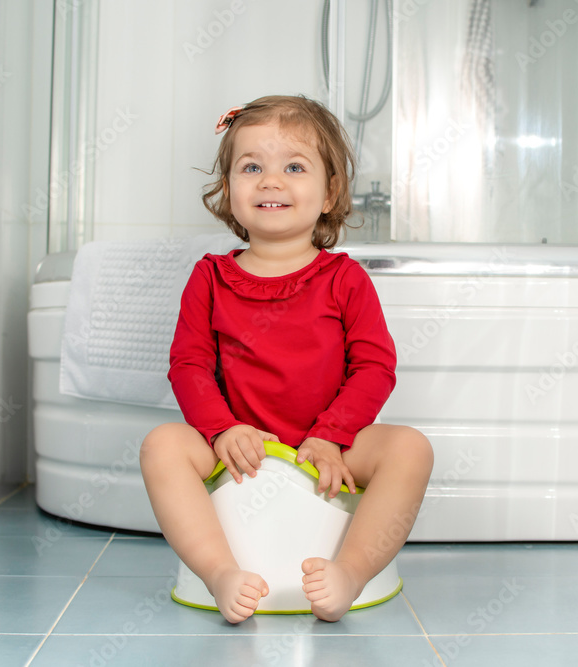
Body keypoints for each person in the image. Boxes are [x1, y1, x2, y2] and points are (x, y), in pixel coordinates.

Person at [139, 95, 433, 624]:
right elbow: (189, 366)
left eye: (294, 167)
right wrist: (222, 427)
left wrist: (333, 433)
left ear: (330, 193)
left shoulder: (345, 280)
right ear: (229, 191)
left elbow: (374, 368)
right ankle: (218, 570)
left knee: (410, 449)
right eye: (252, 167)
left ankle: (351, 570)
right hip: (238, 442)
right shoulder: (209, 278)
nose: (271, 181)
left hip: (330, 442)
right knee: (161, 446)